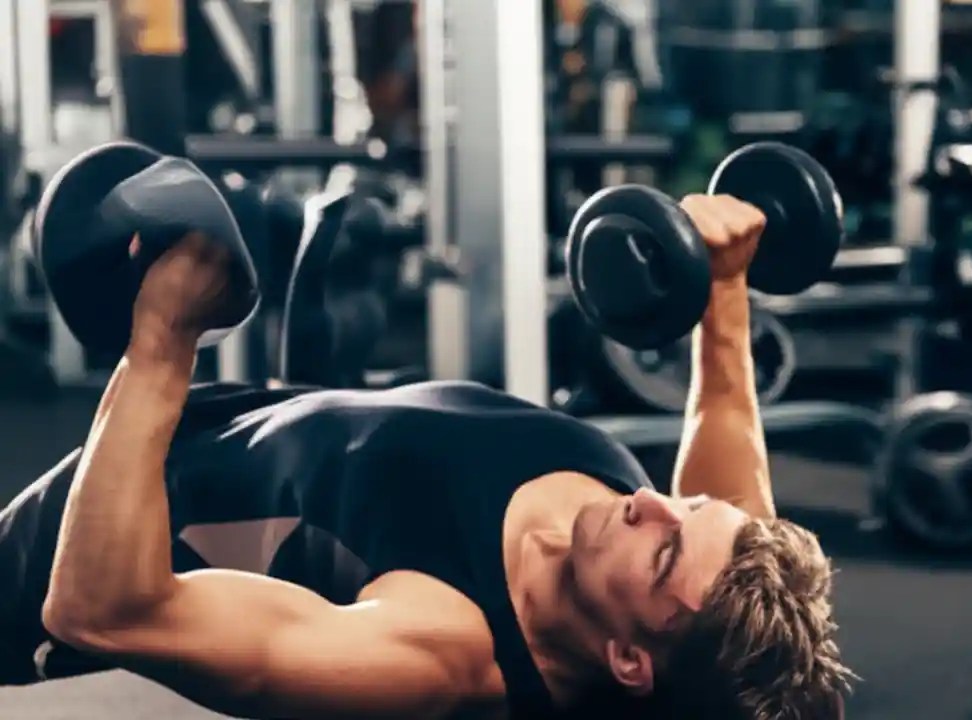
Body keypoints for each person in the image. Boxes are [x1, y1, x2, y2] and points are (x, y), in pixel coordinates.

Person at [0, 194, 853, 719]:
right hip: (237, 424)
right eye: (692, 509)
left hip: (76, 545)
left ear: (629, 661)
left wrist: (159, 340)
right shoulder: (698, 581)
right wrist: (727, 288)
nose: (656, 501)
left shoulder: (439, 648)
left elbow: (100, 611)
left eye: (667, 544)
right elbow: (729, 502)